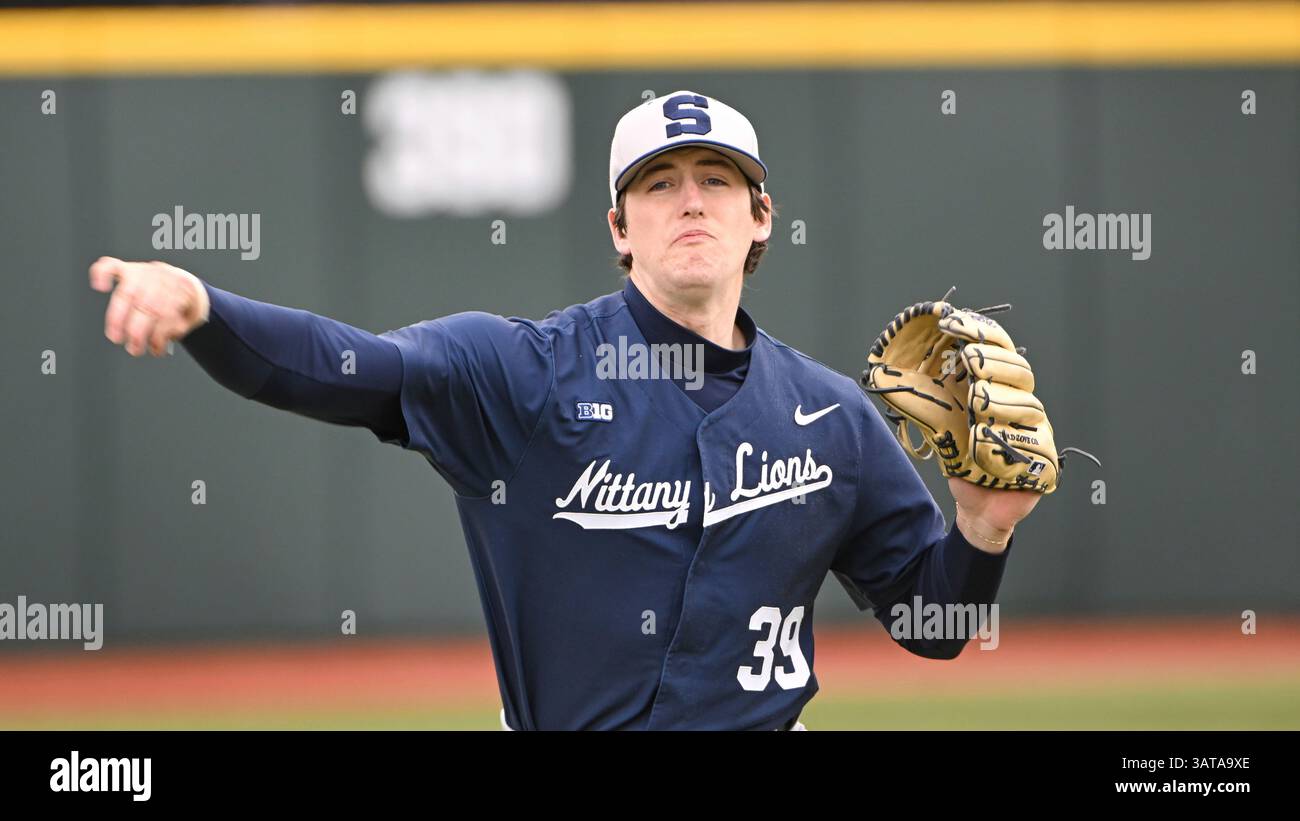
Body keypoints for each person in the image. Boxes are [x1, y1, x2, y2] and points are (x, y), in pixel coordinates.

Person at [88, 90, 1039, 730]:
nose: (690, 201)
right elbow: (346, 367)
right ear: (620, 231)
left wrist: (982, 527)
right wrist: (207, 311)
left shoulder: (833, 419)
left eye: (717, 180)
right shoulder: (521, 374)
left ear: (761, 217)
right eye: (659, 185)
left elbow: (933, 621)